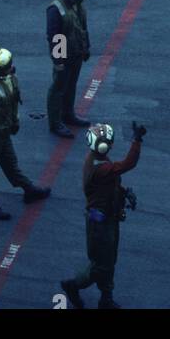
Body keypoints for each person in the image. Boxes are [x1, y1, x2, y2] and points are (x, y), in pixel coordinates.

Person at [61, 121, 146, 310]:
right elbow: (129, 163)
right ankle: (73, 285)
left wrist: (123, 192)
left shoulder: (96, 159)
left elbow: (108, 185)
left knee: (110, 260)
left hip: (108, 219)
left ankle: (106, 298)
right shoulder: (103, 167)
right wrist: (136, 140)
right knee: (101, 265)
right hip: (100, 225)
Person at [0, 48, 51, 219]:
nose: (11, 67)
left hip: (3, 131)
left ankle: (29, 189)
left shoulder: (8, 77)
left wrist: (15, 121)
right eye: (7, 66)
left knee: (11, 164)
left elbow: (14, 100)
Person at [46, 0, 91, 137]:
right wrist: (58, 61)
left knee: (71, 86)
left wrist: (86, 47)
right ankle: (55, 122)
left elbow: (82, 27)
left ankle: (68, 114)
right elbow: (54, 36)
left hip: (76, 52)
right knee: (58, 88)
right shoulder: (55, 9)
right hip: (64, 54)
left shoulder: (77, 4)